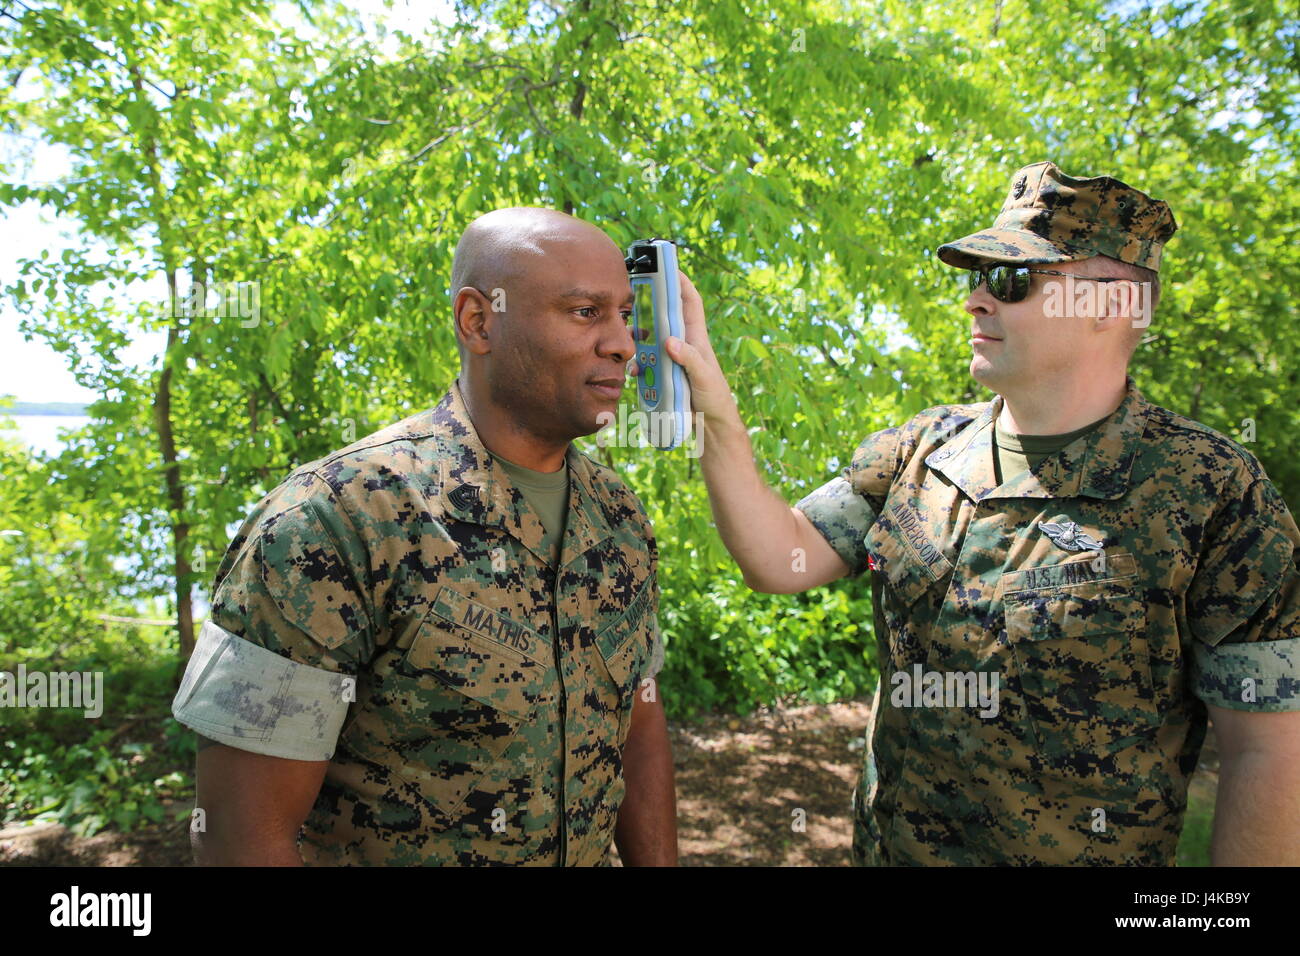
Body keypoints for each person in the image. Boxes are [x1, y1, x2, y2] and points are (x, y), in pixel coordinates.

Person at [668, 161, 1300, 865]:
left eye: (1010, 281)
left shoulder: (1212, 490)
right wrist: (714, 408)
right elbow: (776, 557)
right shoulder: (921, 447)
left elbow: (1268, 751)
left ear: (1112, 305)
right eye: (976, 276)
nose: (974, 299)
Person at [172, 207, 677, 866]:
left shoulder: (619, 519)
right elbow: (239, 837)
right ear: (479, 320)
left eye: (623, 315)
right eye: (585, 313)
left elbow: (638, 729)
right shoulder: (335, 521)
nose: (621, 344)